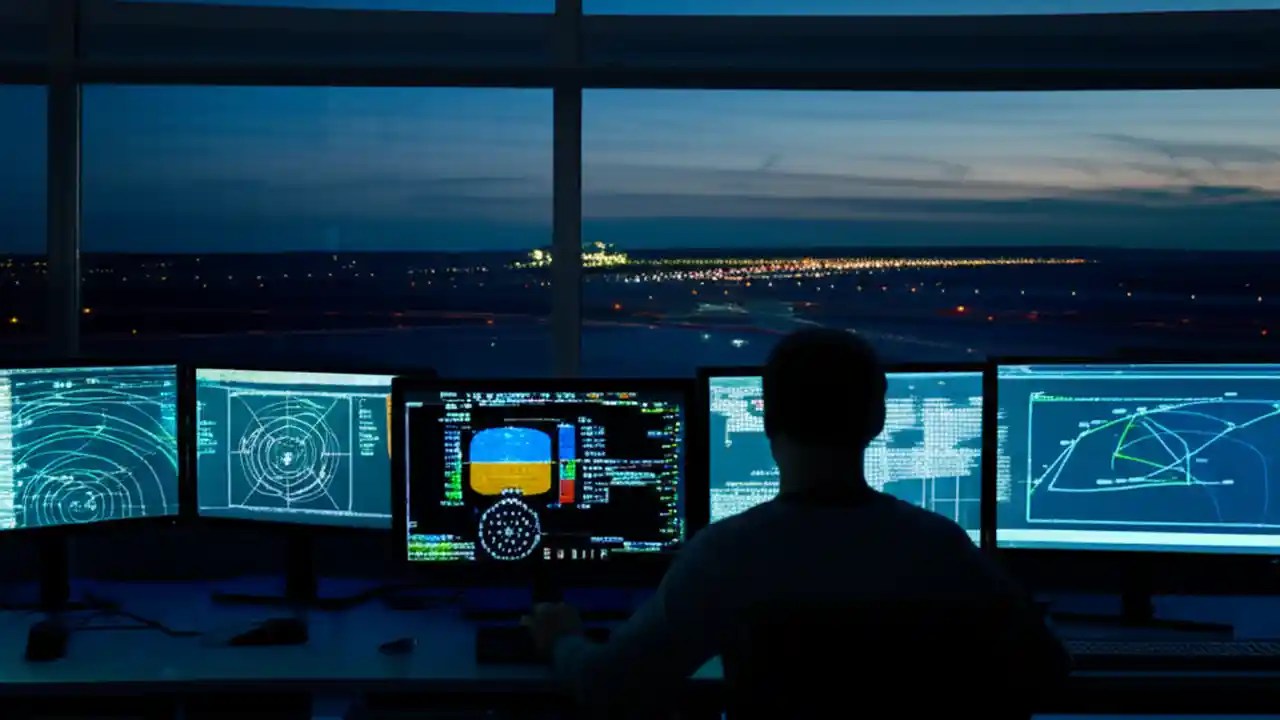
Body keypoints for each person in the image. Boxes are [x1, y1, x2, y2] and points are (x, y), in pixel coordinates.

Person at [525, 328, 1066, 717]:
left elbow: (610, 688)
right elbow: (1047, 675)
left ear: (766, 417)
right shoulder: (942, 548)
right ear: (877, 420)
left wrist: (563, 639)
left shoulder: (724, 555)